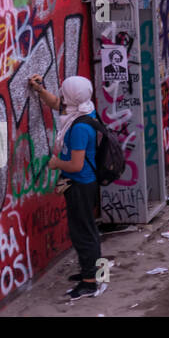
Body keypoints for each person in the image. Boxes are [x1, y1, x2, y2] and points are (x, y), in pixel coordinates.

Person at [28, 73, 106, 299]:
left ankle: (91, 283)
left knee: (83, 232)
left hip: (80, 184)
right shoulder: (83, 109)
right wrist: (40, 90)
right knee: (89, 230)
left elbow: (75, 164)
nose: (61, 96)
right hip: (84, 182)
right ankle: (97, 274)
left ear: (71, 96)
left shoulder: (79, 128)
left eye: (64, 92)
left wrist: (55, 163)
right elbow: (56, 104)